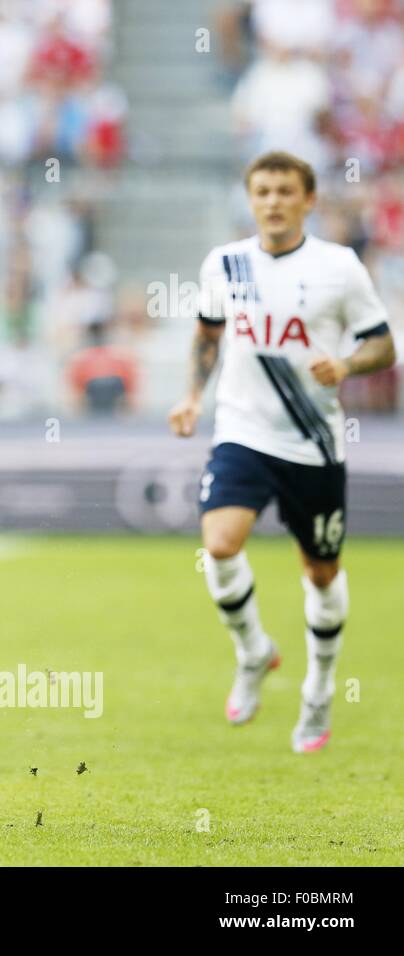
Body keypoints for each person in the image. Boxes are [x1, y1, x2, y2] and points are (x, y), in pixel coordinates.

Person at [169, 151, 396, 752]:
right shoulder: (225, 263)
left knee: (320, 573)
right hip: (243, 433)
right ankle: (253, 652)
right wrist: (193, 395)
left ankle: (319, 691)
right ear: (251, 199)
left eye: (284, 191)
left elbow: (383, 345)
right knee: (218, 544)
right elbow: (208, 333)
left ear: (308, 199)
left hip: (313, 445)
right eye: (262, 190)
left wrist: (345, 363)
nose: (272, 201)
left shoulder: (339, 267)